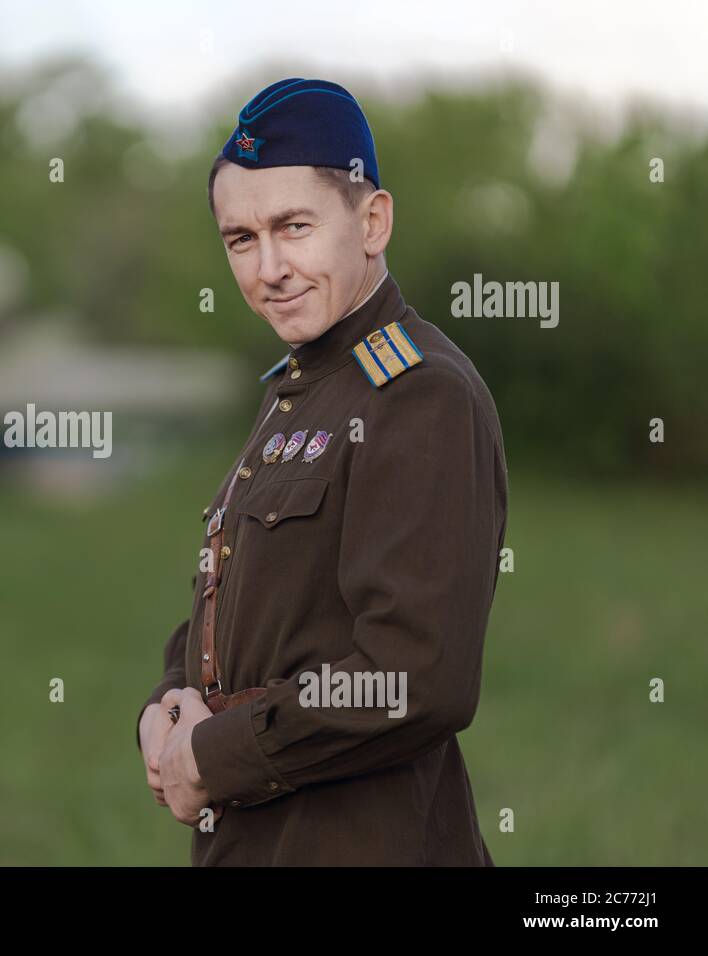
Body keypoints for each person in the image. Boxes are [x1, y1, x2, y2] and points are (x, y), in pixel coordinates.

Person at [135, 78, 508, 865]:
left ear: (372, 221)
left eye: (294, 227)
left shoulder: (418, 393)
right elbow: (247, 600)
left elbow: (414, 675)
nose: (269, 267)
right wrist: (168, 702)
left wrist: (215, 756)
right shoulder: (300, 390)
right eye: (241, 239)